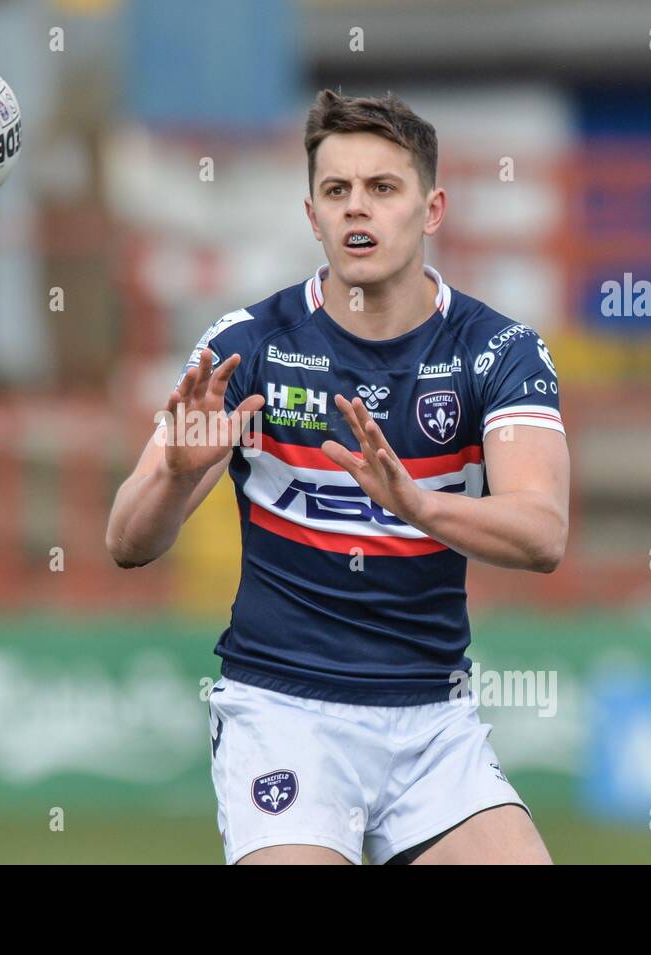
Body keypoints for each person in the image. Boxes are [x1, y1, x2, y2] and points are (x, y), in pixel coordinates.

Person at [106, 89, 569, 865]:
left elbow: (542, 532)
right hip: (284, 714)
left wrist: (416, 503)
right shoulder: (246, 347)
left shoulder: (500, 352)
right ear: (313, 214)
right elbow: (126, 540)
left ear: (432, 209)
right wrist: (175, 476)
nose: (359, 209)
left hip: (432, 723)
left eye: (383, 189)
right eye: (337, 190)